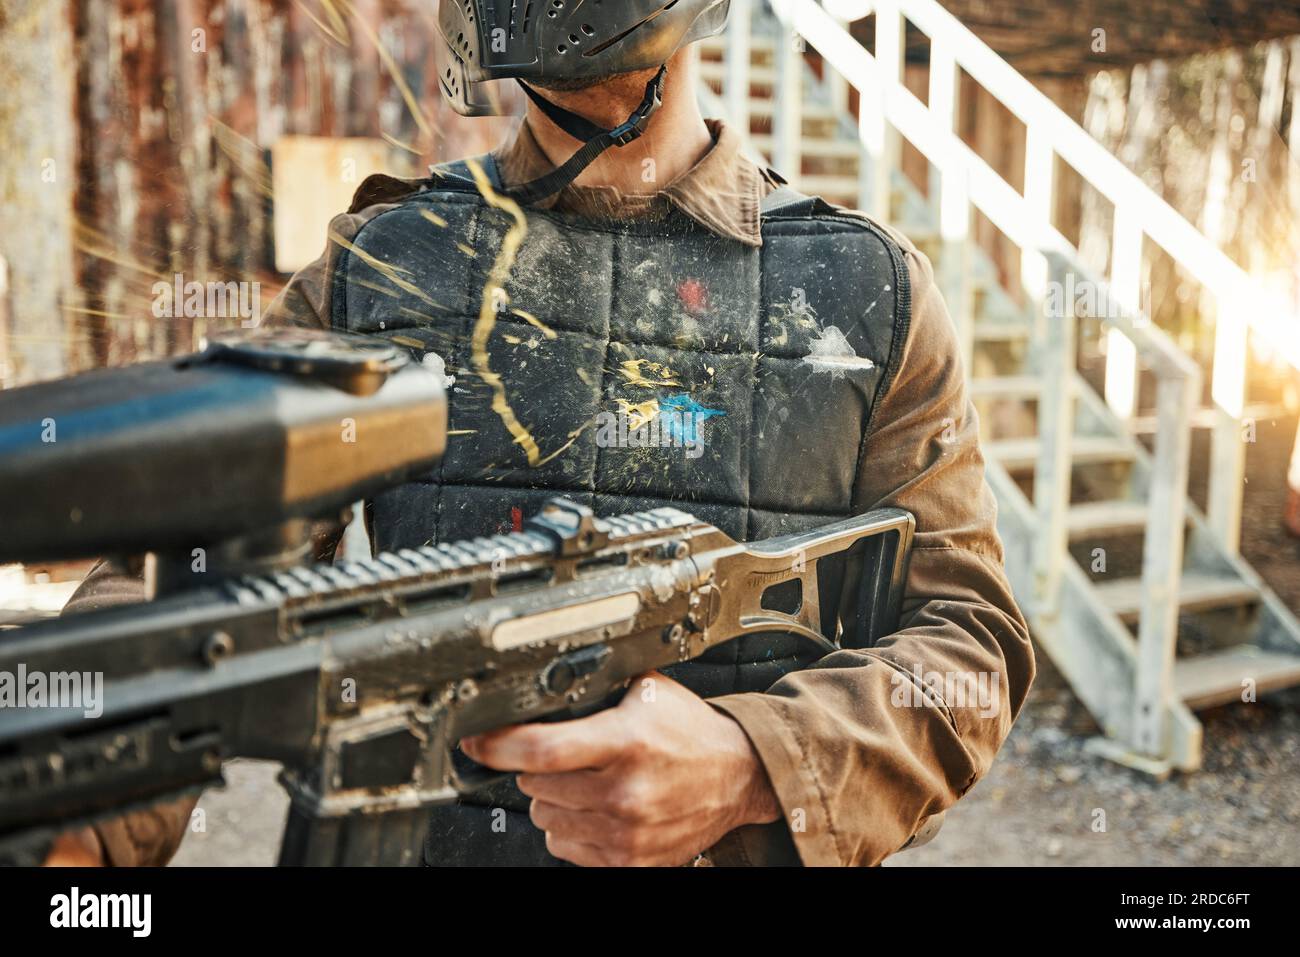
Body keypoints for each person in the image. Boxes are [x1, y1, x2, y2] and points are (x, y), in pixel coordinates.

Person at [52, 0, 1033, 867]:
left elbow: (968, 646)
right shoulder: (386, 264)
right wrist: (80, 804)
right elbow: (184, 570)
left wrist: (752, 764)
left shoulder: (862, 293)